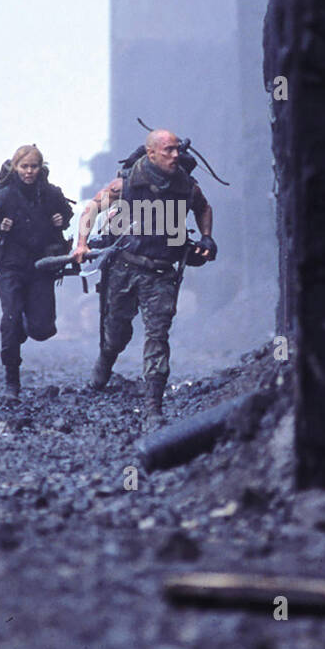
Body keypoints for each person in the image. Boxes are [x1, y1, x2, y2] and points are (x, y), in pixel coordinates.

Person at [72, 129, 216, 427]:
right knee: (117, 334)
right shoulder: (125, 184)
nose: (176, 156)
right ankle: (104, 365)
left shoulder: (186, 186)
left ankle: (153, 404)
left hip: (161, 272)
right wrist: (81, 244)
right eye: (168, 151)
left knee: (157, 335)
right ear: (151, 154)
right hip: (124, 268)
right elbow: (91, 209)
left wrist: (206, 237)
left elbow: (203, 207)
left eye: (177, 150)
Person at [0, 145, 73, 396]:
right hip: (11, 266)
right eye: (24, 166)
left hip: (42, 267)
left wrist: (62, 219)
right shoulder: (6, 195)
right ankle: (12, 382)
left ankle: (25, 325)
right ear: (16, 168)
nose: (29, 171)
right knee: (10, 319)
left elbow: (68, 213)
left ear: (41, 168)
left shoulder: (50, 194)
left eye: (34, 166)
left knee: (42, 329)